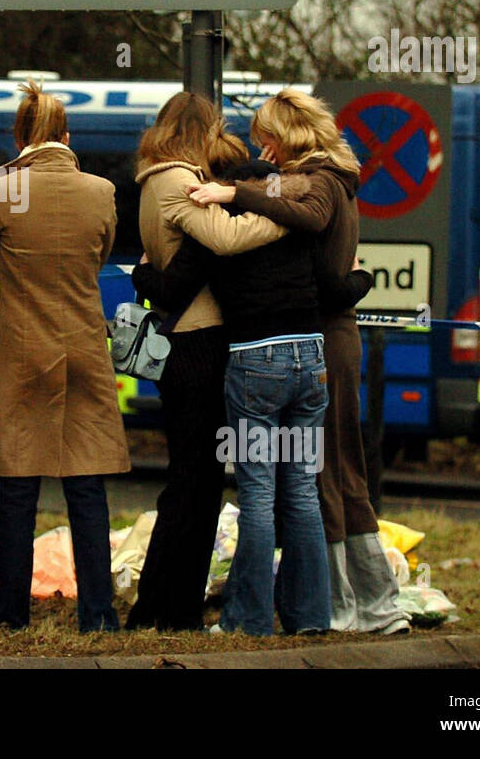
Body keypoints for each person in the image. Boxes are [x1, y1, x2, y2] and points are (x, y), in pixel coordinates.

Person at [191, 88, 409, 634]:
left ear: (287, 139)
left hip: (318, 341)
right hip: (322, 347)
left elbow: (319, 255)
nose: (262, 150)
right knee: (331, 475)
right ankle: (365, 603)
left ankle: (343, 607)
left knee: (316, 479)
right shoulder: (336, 178)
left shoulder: (318, 184)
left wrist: (229, 193)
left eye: (267, 138)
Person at [126, 92, 289, 632]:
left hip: (180, 342)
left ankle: (162, 604)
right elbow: (224, 238)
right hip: (199, 342)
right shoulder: (178, 180)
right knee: (196, 483)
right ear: (201, 130)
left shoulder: (153, 178)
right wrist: (287, 219)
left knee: (189, 479)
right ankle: (171, 610)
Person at [0, 83, 131, 633]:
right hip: (84, 345)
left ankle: (9, 610)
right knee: (86, 486)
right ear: (67, 136)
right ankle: (99, 615)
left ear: (19, 136)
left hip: (20, 349)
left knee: (18, 485)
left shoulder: (1, 189)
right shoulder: (102, 190)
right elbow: (99, 255)